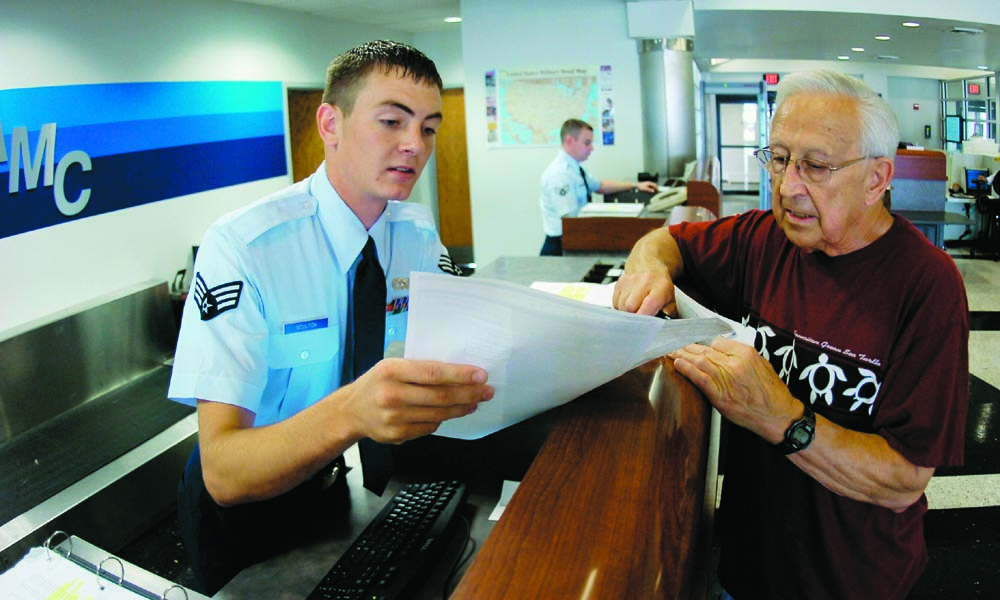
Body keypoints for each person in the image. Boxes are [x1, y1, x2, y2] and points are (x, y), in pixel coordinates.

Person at [612, 70, 968, 600]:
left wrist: (778, 416)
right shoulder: (764, 238)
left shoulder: (927, 286)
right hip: (745, 565)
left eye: (816, 166)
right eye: (778, 159)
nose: (788, 186)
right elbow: (665, 242)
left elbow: (904, 479)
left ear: (876, 179)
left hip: (850, 580)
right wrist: (647, 270)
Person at [167, 40, 494, 595]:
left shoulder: (414, 236)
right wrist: (353, 410)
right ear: (330, 123)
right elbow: (223, 469)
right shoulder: (245, 247)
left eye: (429, 128)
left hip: (335, 486)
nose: (414, 145)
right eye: (392, 121)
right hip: (243, 516)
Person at [538, 118, 658, 255]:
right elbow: (570, 220)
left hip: (574, 239)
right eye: (587, 143)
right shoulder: (559, 174)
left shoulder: (574, 168)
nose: (591, 148)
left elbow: (600, 185)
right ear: (570, 140)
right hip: (561, 246)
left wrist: (636, 185)